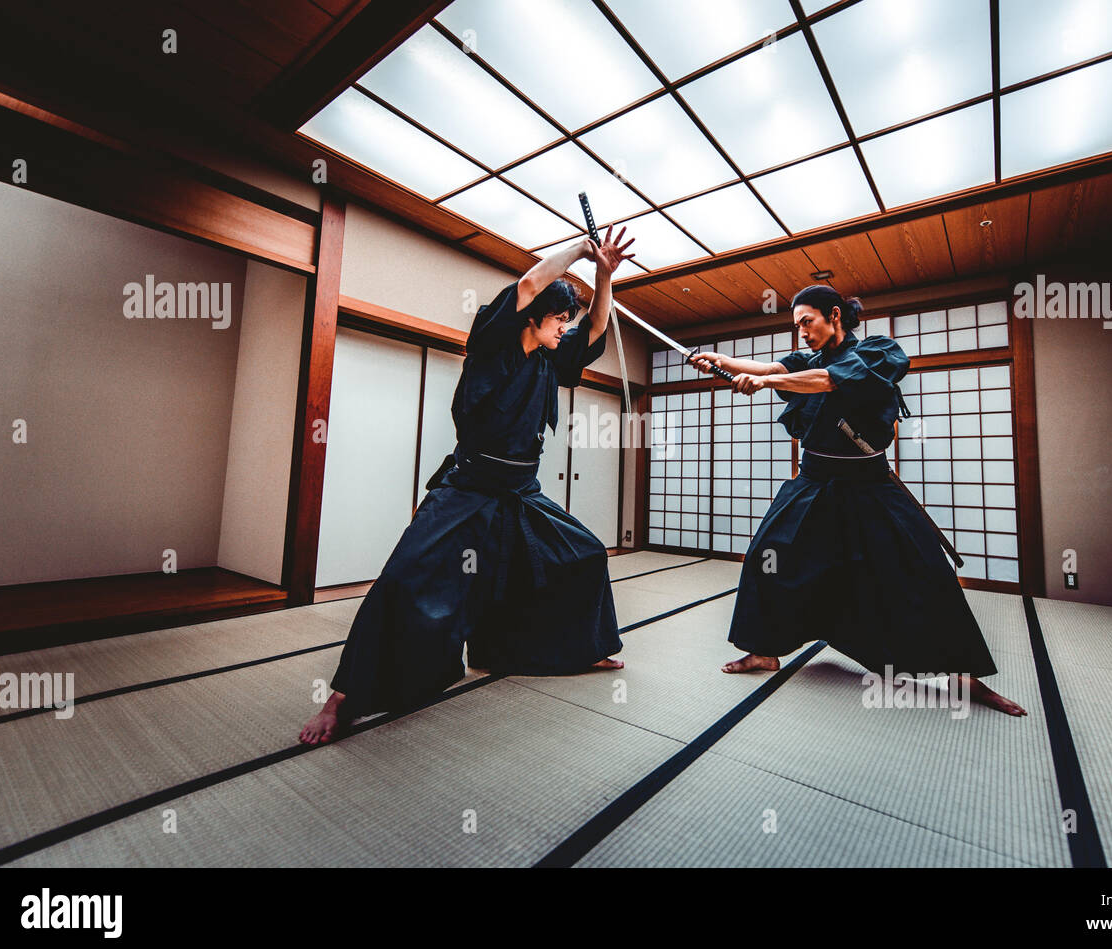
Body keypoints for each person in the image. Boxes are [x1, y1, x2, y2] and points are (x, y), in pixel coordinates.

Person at [300, 226, 637, 745]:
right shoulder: (493, 342)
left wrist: (604, 274)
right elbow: (528, 283)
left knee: (585, 554)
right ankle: (343, 699)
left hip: (522, 493)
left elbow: (595, 331)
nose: (565, 328)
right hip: (470, 486)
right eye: (559, 318)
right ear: (533, 316)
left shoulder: (550, 359)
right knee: (403, 580)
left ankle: (574, 647)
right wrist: (577, 250)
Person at [690, 286, 1026, 717]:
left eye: (806, 322)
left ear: (834, 315)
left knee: (923, 567)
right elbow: (771, 365)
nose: (802, 333)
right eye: (796, 326)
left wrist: (766, 381)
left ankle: (965, 676)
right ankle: (764, 651)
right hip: (813, 480)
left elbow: (828, 380)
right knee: (765, 555)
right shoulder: (804, 361)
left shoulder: (877, 351)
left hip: (868, 481)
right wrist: (721, 362)